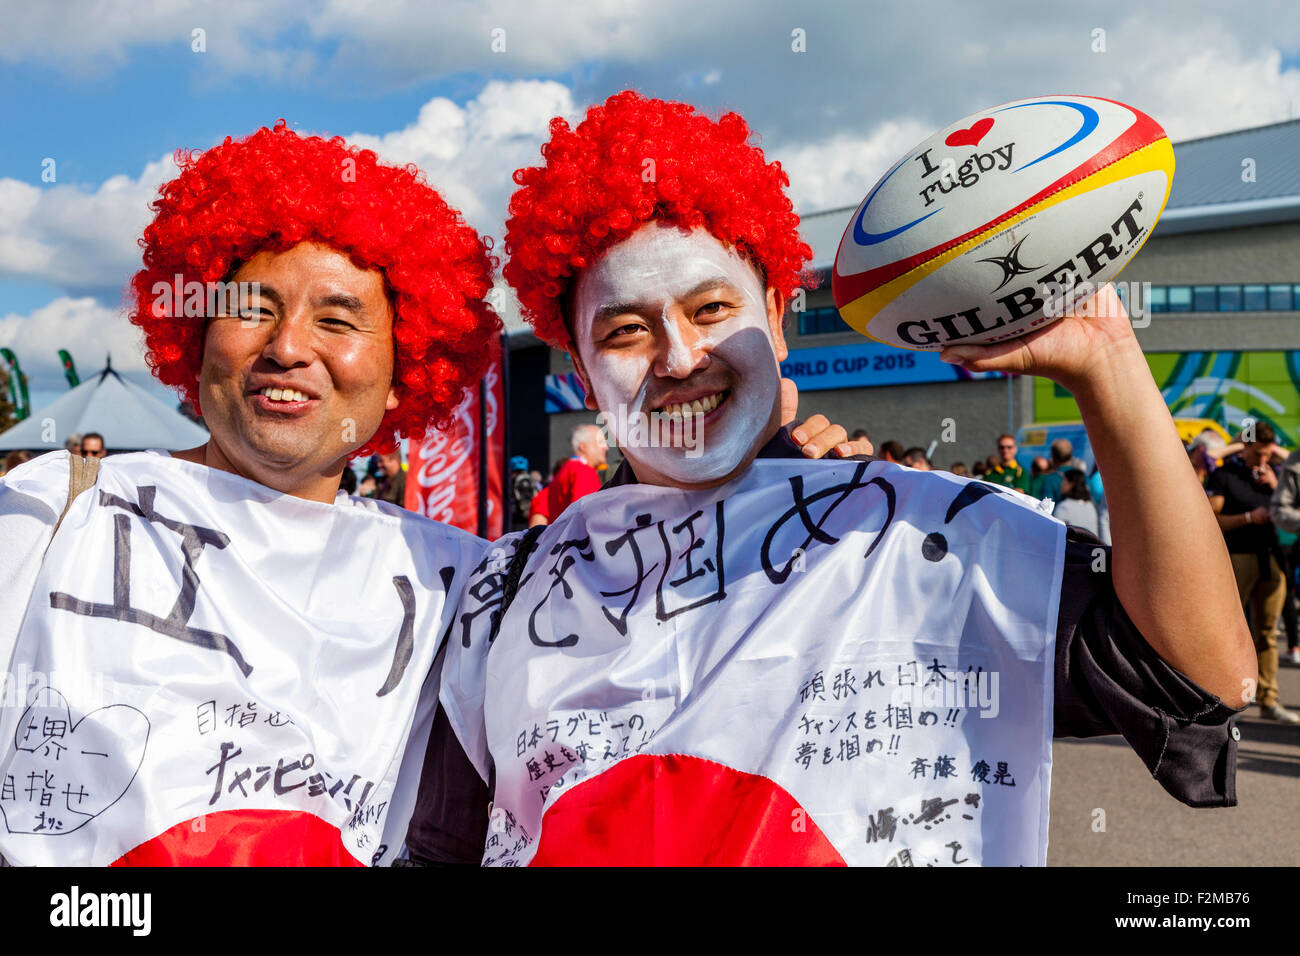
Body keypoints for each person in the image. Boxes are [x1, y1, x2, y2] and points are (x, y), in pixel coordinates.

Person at [408, 91, 1254, 867]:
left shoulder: (912, 537)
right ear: (581, 367)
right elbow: (441, 847)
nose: (678, 357)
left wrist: (1108, 367)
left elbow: (1202, 675)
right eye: (626, 330)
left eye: (711, 310)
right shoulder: (508, 591)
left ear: (777, 316)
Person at [0, 122, 502, 865]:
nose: (289, 347)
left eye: (338, 320)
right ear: (195, 333)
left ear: (405, 371)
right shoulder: (59, 510)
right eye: (253, 308)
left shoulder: (458, 582)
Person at [1206, 423, 1296, 722]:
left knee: (1268, 634)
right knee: (1229, 631)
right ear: (1244, 448)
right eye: (1257, 453)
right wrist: (1248, 517)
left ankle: (1269, 700)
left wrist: (1273, 482)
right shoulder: (1225, 475)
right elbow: (1211, 517)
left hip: (1271, 558)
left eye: (1268, 454)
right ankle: (1227, 700)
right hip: (1237, 558)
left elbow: (1291, 458)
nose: (1262, 460)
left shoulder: (1277, 476)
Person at [528, 423, 607, 527]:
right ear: (583, 447)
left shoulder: (566, 470)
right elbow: (588, 518)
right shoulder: (583, 471)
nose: (606, 447)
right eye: (600, 442)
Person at [1270, 444, 1300, 665]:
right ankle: (1294, 645)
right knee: (1286, 594)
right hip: (1285, 545)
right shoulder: (1295, 462)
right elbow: (1279, 509)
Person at [1052, 468, 1099, 537]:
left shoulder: (1064, 507)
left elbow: (1054, 534)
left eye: (1064, 481)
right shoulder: (1091, 507)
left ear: (1071, 484)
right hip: (1090, 547)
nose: (1061, 484)